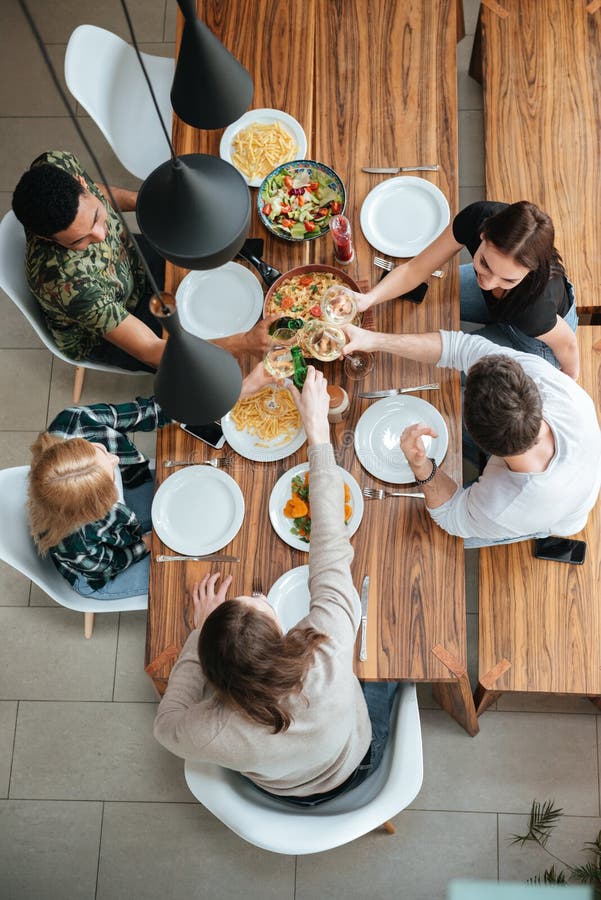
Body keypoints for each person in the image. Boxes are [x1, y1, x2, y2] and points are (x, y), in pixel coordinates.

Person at [153, 367, 398, 804]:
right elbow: (330, 545)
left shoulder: (208, 729)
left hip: (280, 789)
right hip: (354, 764)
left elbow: (165, 724)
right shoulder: (326, 650)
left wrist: (199, 636)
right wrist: (318, 435)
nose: (262, 594)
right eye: (263, 605)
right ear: (280, 640)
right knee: (395, 664)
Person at [27, 364, 276, 599]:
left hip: (125, 512)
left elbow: (148, 412)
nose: (115, 459)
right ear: (100, 506)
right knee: (194, 578)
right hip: (107, 569)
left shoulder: (74, 423)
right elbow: (109, 565)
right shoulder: (76, 543)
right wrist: (147, 542)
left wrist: (233, 393)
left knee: (203, 508)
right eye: (109, 475)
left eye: (100, 449)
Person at [12, 150, 275, 372]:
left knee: (219, 248)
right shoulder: (68, 286)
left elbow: (97, 191)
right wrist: (243, 343)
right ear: (47, 239)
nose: (101, 235)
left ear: (79, 182)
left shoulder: (55, 164)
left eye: (95, 218)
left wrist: (145, 203)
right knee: (220, 364)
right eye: (78, 241)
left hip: (131, 258)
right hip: (113, 325)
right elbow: (151, 349)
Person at [342, 326, 601, 549]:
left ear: (470, 431)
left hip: (559, 517)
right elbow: (460, 346)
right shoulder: (540, 378)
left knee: (447, 539)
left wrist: (421, 465)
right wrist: (374, 339)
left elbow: (449, 517)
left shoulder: (503, 507)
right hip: (578, 466)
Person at [357, 200, 579, 379]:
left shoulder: (534, 309)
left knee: (456, 375)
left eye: (507, 279)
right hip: (518, 314)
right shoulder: (477, 216)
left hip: (537, 342)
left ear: (529, 272)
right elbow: (414, 270)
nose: (489, 284)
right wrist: (367, 299)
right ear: (483, 233)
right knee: (434, 290)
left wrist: (568, 383)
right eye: (485, 264)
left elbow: (568, 345)